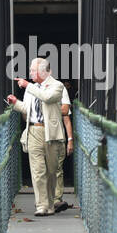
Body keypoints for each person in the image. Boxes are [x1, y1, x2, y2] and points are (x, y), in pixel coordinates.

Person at [6, 58, 65, 215]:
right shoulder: (31, 89)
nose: (30, 72)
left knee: (51, 171)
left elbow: (46, 98)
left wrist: (28, 85)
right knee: (38, 171)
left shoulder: (57, 86)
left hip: (50, 134)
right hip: (33, 131)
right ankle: (41, 206)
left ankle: (50, 204)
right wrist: (15, 102)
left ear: (42, 71)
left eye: (33, 70)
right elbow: (26, 108)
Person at [51, 81, 74, 212]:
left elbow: (66, 116)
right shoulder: (33, 89)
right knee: (42, 169)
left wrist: (70, 140)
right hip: (40, 133)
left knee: (57, 168)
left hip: (57, 135)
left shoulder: (60, 90)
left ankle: (56, 200)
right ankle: (45, 200)